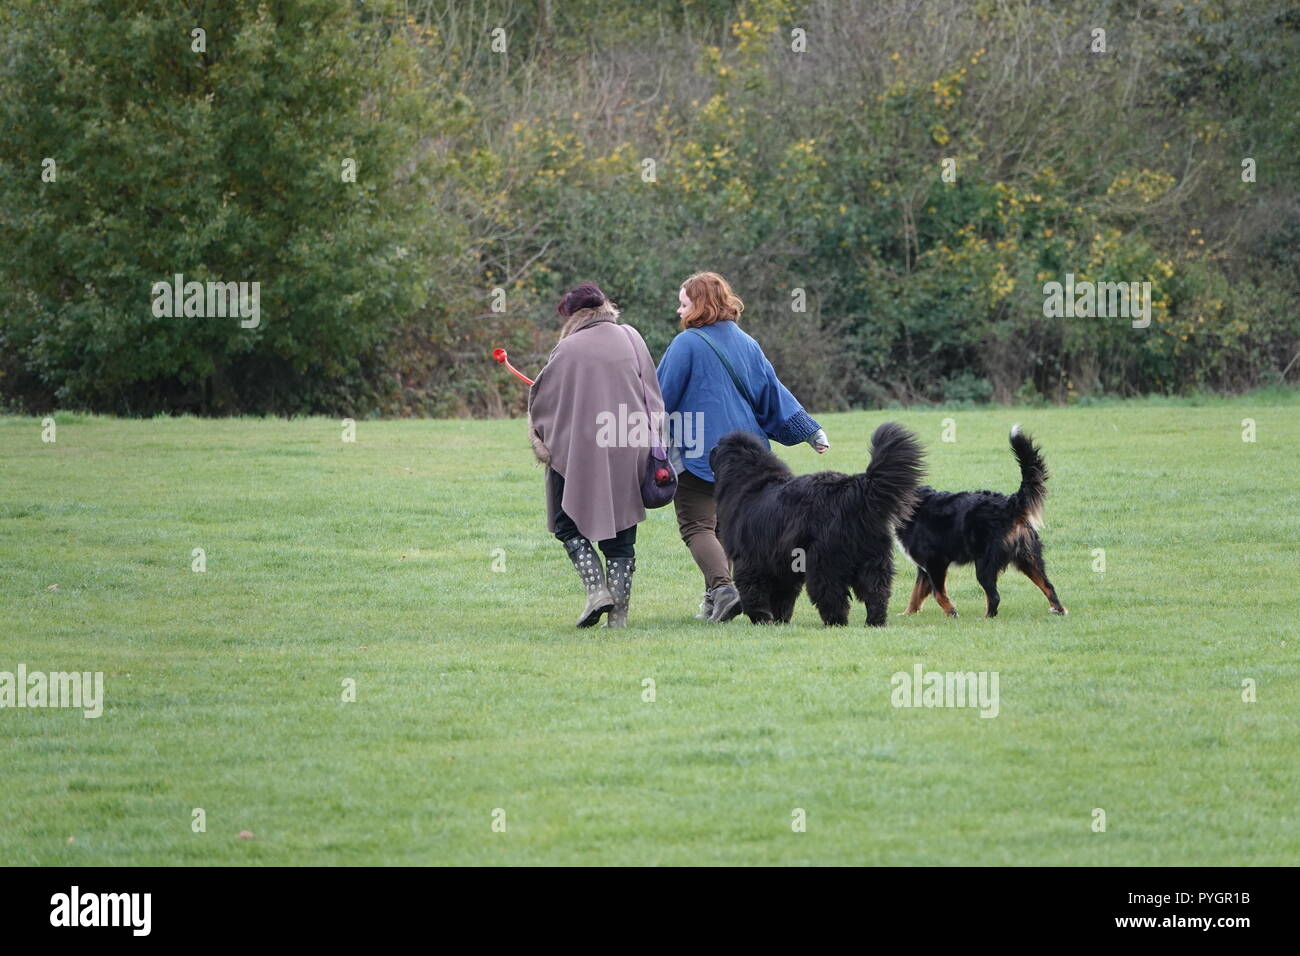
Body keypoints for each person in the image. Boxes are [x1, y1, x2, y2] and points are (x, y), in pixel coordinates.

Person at [656, 271, 829, 622]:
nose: (678, 309)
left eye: (684, 302)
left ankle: (723, 590)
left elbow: (658, 398)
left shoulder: (685, 344)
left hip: (700, 451)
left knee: (697, 525)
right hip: (750, 459)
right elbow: (772, 393)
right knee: (728, 529)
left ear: (700, 305)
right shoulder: (747, 342)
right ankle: (715, 600)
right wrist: (812, 432)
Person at [527, 283, 665, 628]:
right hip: (630, 444)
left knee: (565, 523)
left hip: (582, 451)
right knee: (622, 536)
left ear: (572, 315)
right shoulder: (632, 338)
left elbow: (544, 400)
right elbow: (653, 395)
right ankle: (618, 616)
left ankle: (596, 591)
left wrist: (541, 433)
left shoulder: (568, 348)